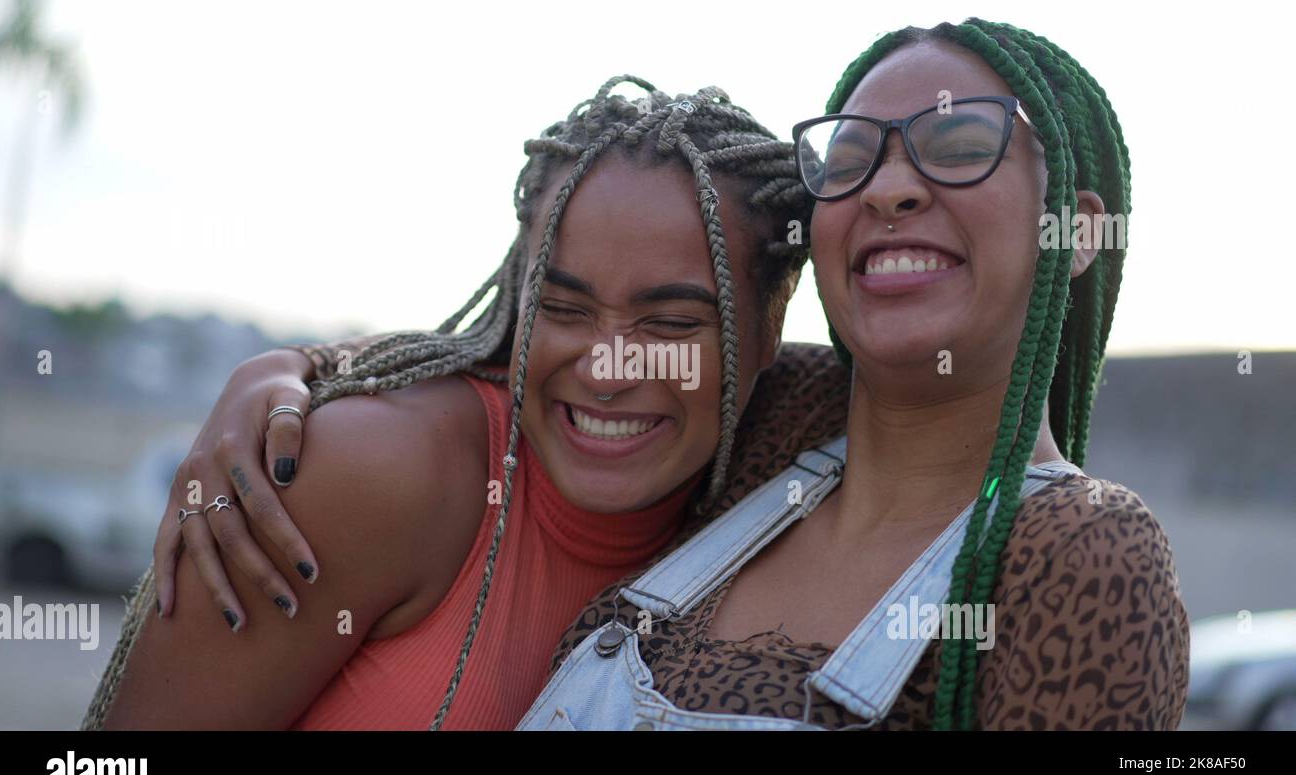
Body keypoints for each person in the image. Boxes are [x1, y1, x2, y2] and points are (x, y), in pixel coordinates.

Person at [83, 76, 823, 730]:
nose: (606, 369)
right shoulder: (377, 472)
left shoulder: (792, 474)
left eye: (670, 323)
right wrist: (293, 365)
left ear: (771, 324)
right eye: (563, 308)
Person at [521, 19, 1190, 731]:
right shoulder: (765, 422)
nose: (887, 189)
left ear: (1077, 232)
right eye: (848, 163)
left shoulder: (1084, 549)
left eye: (960, 148)